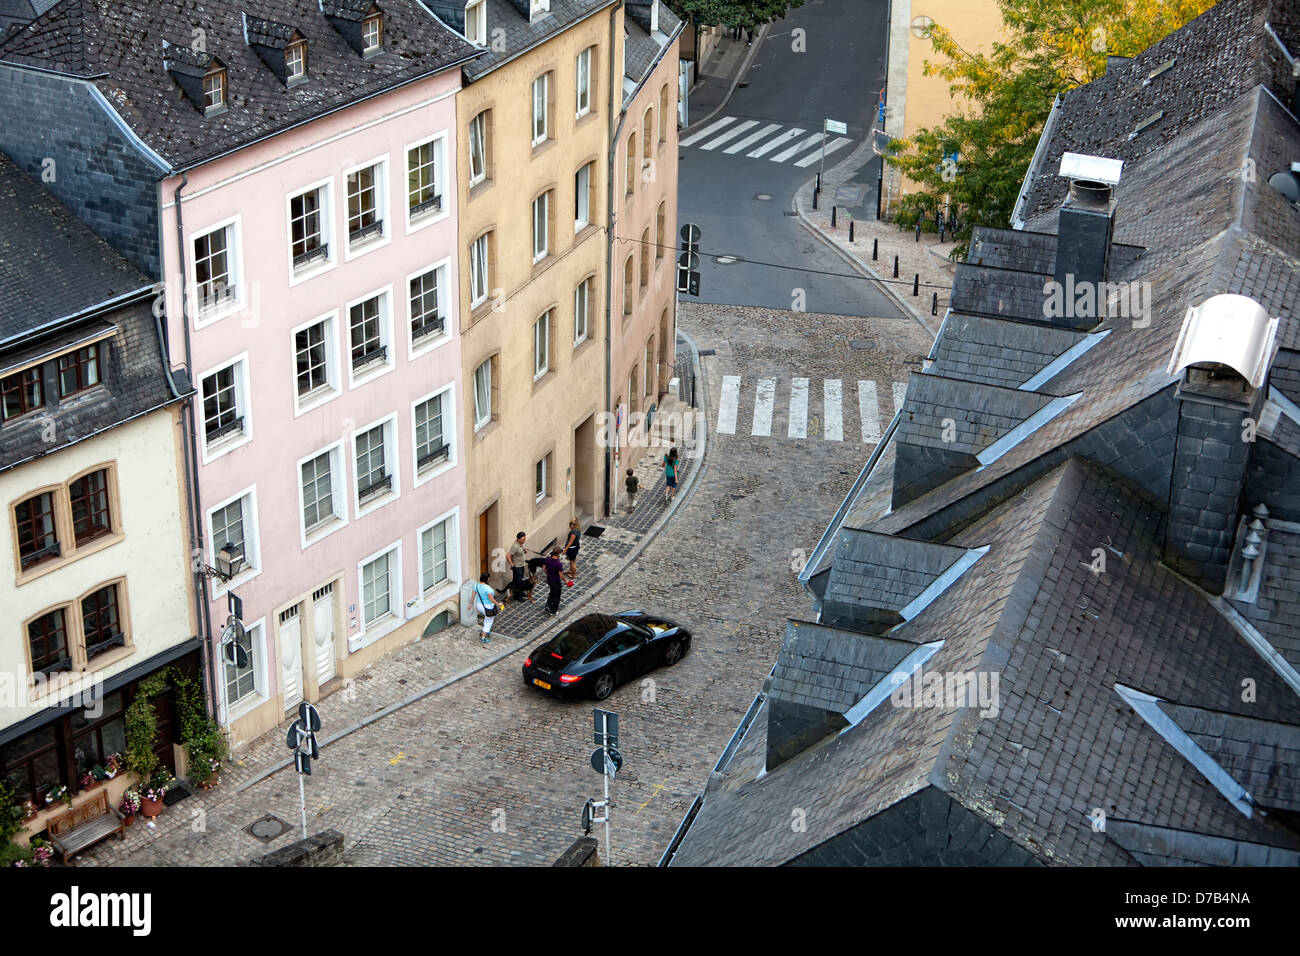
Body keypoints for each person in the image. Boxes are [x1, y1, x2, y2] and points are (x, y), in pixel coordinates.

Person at [473, 572, 501, 644]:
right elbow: (491, 599)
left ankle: (485, 631)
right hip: (488, 607)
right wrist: (498, 604)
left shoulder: (476, 586)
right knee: (489, 621)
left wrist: (470, 604)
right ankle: (483, 637)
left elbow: (473, 596)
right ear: (487, 579)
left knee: (487, 617)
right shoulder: (488, 589)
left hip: (479, 605)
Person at [507, 531, 533, 604]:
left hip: (521, 565)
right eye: (522, 539)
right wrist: (512, 565)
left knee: (520, 580)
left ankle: (520, 592)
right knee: (517, 582)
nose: (524, 541)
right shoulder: (515, 546)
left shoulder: (520, 544)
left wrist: (524, 551)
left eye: (524, 539)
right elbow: (508, 556)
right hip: (517, 567)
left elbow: (519, 553)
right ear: (518, 539)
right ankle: (517, 596)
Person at [544, 547, 569, 615]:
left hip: (549, 579)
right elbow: (561, 575)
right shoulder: (558, 564)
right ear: (558, 554)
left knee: (552, 592)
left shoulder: (547, 559)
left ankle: (548, 605)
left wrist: (548, 573)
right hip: (556, 582)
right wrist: (566, 581)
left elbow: (544, 568)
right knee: (556, 596)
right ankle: (553, 611)